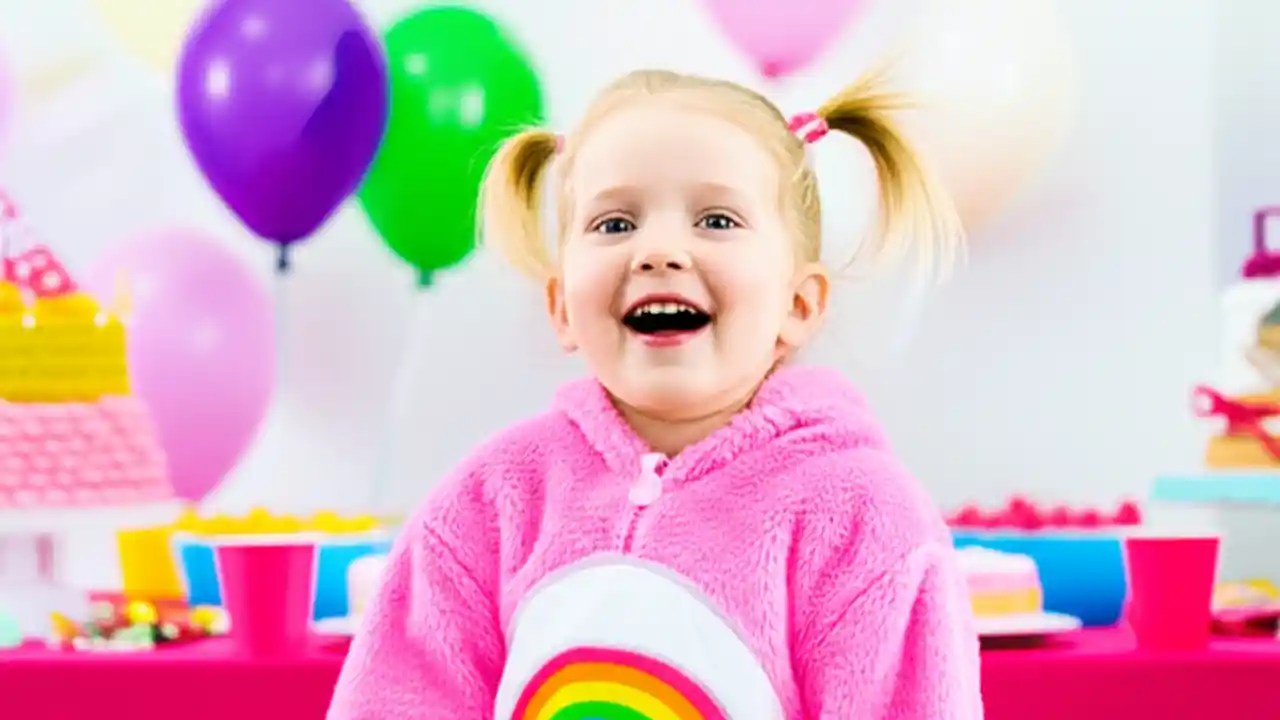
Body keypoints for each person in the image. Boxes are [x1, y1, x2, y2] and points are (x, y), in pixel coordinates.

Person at [328, 66, 982, 719]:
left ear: (799, 303)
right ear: (559, 305)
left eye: (717, 219)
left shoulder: (863, 519)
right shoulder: (491, 502)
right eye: (615, 224)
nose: (659, 251)